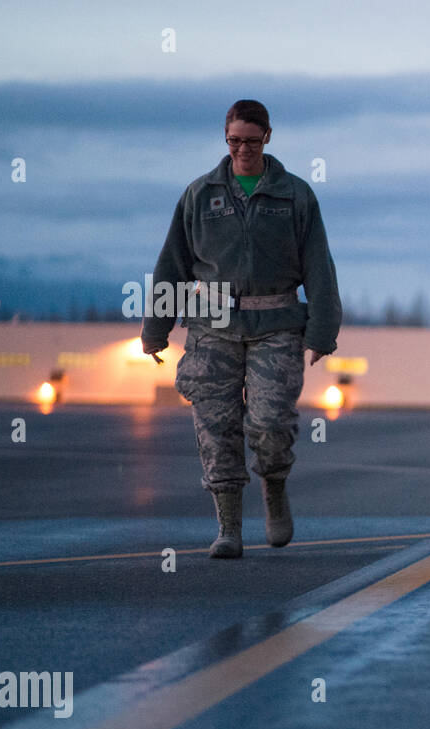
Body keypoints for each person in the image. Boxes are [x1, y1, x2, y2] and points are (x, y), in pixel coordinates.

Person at [142, 99, 341, 558]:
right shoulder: (200, 195)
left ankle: (273, 483)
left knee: (270, 422)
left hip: (276, 322)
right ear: (225, 138)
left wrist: (322, 331)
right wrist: (155, 329)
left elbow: (319, 268)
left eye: (252, 141)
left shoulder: (295, 195)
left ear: (267, 137)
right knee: (215, 426)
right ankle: (229, 527)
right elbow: (172, 264)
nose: (243, 149)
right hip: (212, 323)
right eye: (235, 141)